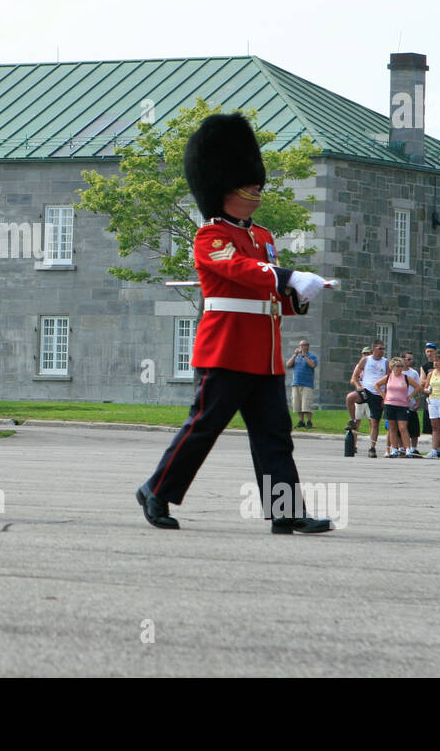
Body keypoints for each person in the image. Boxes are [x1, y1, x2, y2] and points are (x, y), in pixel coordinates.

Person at [136, 113, 331, 534]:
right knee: (203, 428)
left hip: (263, 356)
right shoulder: (210, 236)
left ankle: (286, 512)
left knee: (274, 435)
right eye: (250, 183)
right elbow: (242, 272)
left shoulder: (262, 237)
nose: (258, 190)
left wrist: (299, 293)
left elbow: (269, 293)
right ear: (225, 186)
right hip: (224, 350)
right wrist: (286, 277)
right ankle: (157, 490)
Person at [349, 341, 389, 458]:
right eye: (380, 348)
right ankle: (353, 421)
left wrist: (385, 396)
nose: (382, 350)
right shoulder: (366, 360)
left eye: (383, 348)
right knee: (350, 398)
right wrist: (358, 386)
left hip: (378, 394)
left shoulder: (385, 362)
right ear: (374, 349)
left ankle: (372, 447)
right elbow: (355, 376)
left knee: (374, 421)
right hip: (366, 390)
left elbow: (388, 380)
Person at [377, 357, 414, 457]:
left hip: (402, 405)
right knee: (392, 428)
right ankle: (394, 449)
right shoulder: (388, 377)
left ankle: (408, 450)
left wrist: (410, 397)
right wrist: (383, 395)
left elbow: (417, 386)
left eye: (401, 366)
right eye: (398, 366)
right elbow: (376, 385)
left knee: (403, 428)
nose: (400, 368)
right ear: (392, 367)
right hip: (389, 404)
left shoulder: (405, 378)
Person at [285, 339, 318, 429]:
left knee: (306, 404)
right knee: (297, 404)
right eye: (300, 345)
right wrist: (295, 355)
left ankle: (309, 422)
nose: (301, 347)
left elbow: (313, 365)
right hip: (296, 383)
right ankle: (301, 421)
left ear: (307, 346)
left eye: (303, 345)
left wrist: (304, 356)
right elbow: (288, 365)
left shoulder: (312, 356)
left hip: (307, 384)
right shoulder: (296, 357)